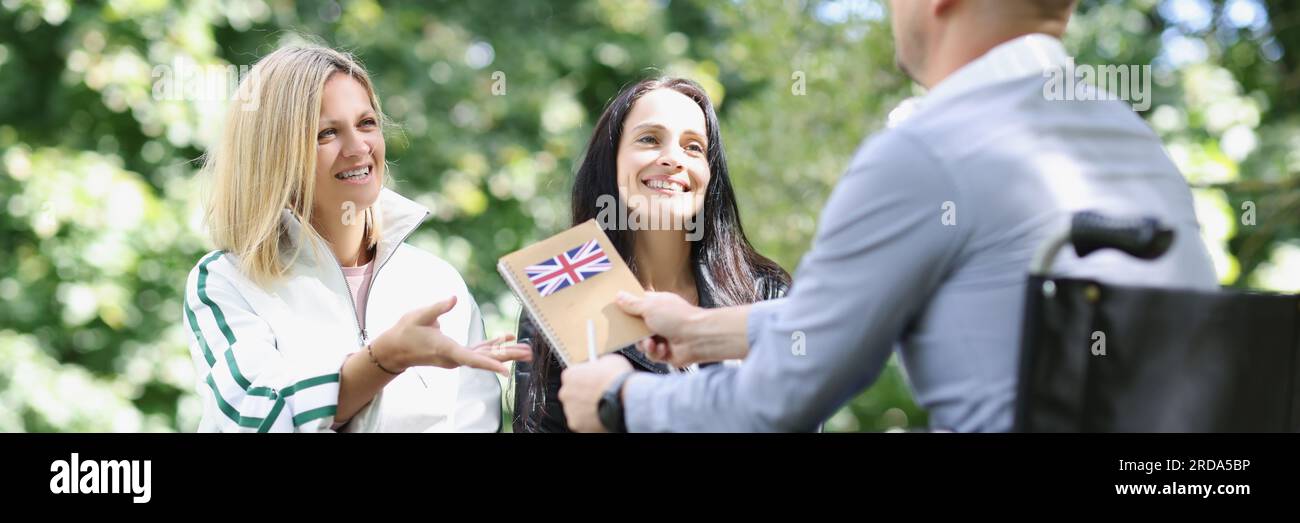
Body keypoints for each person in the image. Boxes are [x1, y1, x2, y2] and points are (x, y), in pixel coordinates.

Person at [557, 0, 1218, 432]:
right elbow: (905, 314)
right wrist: (707, 332)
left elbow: (775, 405)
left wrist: (621, 401)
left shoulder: (927, 150)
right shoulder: (1133, 140)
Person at [184, 44, 529, 432]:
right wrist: (385, 358)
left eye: (366, 123)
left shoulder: (438, 283)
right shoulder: (226, 281)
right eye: (327, 133)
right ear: (275, 154)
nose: (358, 147)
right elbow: (258, 418)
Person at [512, 77, 790, 432]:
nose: (673, 158)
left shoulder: (766, 293)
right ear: (610, 162)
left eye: (693, 147)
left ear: (710, 173)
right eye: (649, 139)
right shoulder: (564, 285)